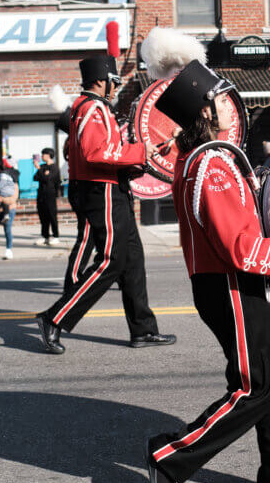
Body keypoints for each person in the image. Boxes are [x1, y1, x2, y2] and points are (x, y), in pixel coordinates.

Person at [144, 54, 270, 483]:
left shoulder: (199, 160)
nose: (230, 105)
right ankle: (170, 458)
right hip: (231, 286)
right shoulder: (215, 165)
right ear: (204, 112)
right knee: (255, 388)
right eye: (221, 100)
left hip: (227, 285)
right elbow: (240, 247)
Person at [34, 48, 174, 354]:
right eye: (113, 80)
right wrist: (138, 153)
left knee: (133, 260)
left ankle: (143, 330)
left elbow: (110, 154)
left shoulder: (93, 108)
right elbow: (95, 153)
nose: (116, 86)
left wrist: (145, 155)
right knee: (111, 260)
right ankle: (54, 319)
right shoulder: (91, 108)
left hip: (113, 188)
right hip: (103, 191)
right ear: (101, 81)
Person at [35, 147, 62, 245]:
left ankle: (56, 235)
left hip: (50, 194)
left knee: (51, 215)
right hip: (41, 194)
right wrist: (42, 172)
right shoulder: (43, 166)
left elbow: (48, 179)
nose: (42, 156)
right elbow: (36, 177)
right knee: (43, 216)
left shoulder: (54, 167)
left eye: (43, 154)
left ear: (49, 155)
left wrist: (40, 171)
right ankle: (45, 236)